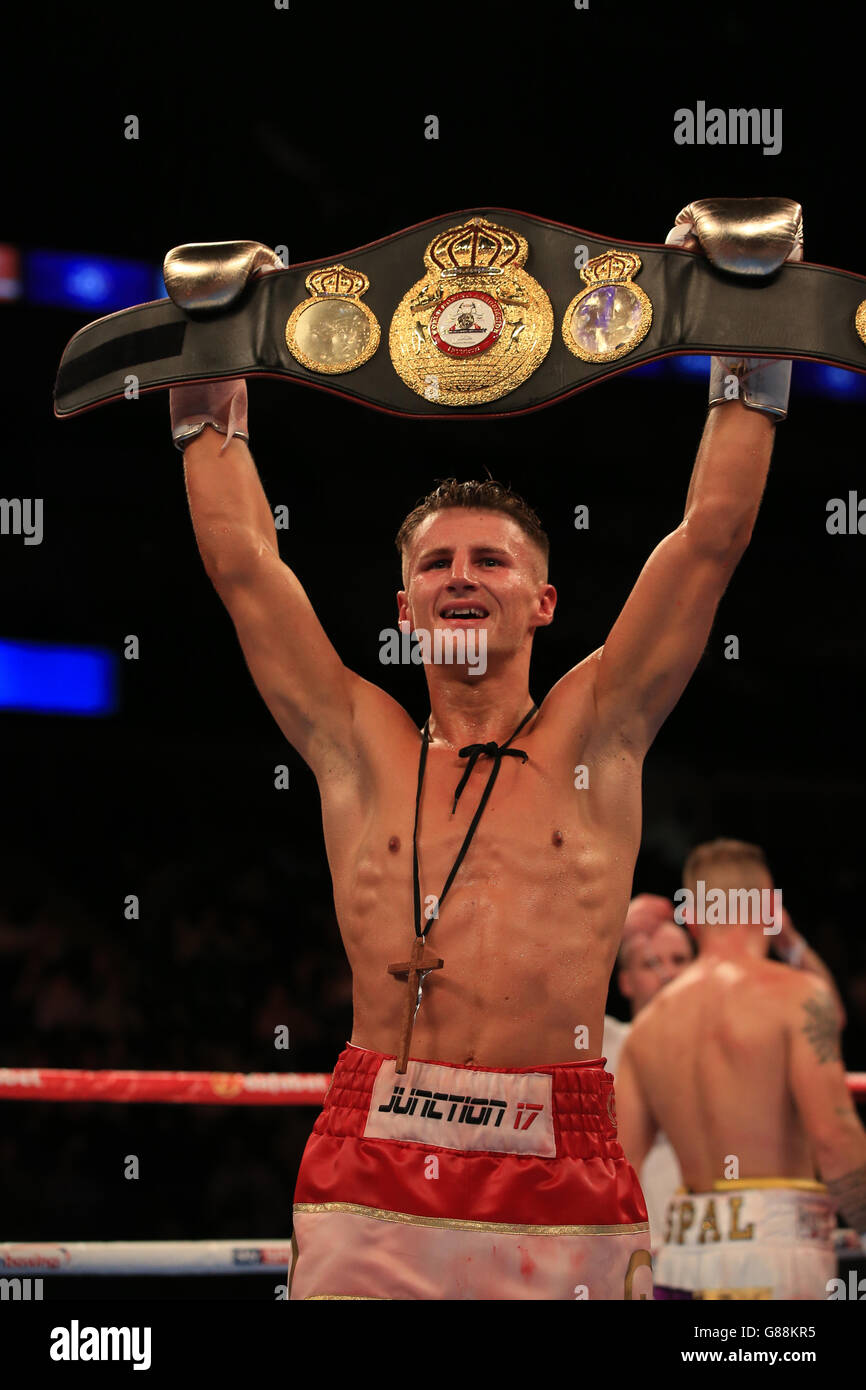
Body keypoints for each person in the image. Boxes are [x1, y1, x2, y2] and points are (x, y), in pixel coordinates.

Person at [170, 208, 801, 1300]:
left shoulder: (596, 725)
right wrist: (208, 366)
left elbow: (709, 539)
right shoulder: (354, 744)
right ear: (407, 607)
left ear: (542, 600)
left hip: (556, 1142)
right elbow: (244, 569)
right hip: (374, 1142)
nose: (462, 576)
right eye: (439, 563)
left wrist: (747, 321)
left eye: (492, 562)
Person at [615, 838, 863, 1300]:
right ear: (770, 908)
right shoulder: (797, 996)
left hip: (682, 1258)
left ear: (690, 916)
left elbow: (622, 1170)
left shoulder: (648, 1027)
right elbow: (835, 1137)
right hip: (779, 1250)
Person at [603, 895, 694, 1249]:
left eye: (679, 960)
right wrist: (614, 931)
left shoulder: (725, 1046)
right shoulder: (605, 1043)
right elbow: (549, 995)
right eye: (651, 963)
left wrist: (790, 943)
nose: (668, 973)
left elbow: (825, 1022)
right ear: (625, 982)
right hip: (634, 1245)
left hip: (710, 1248)